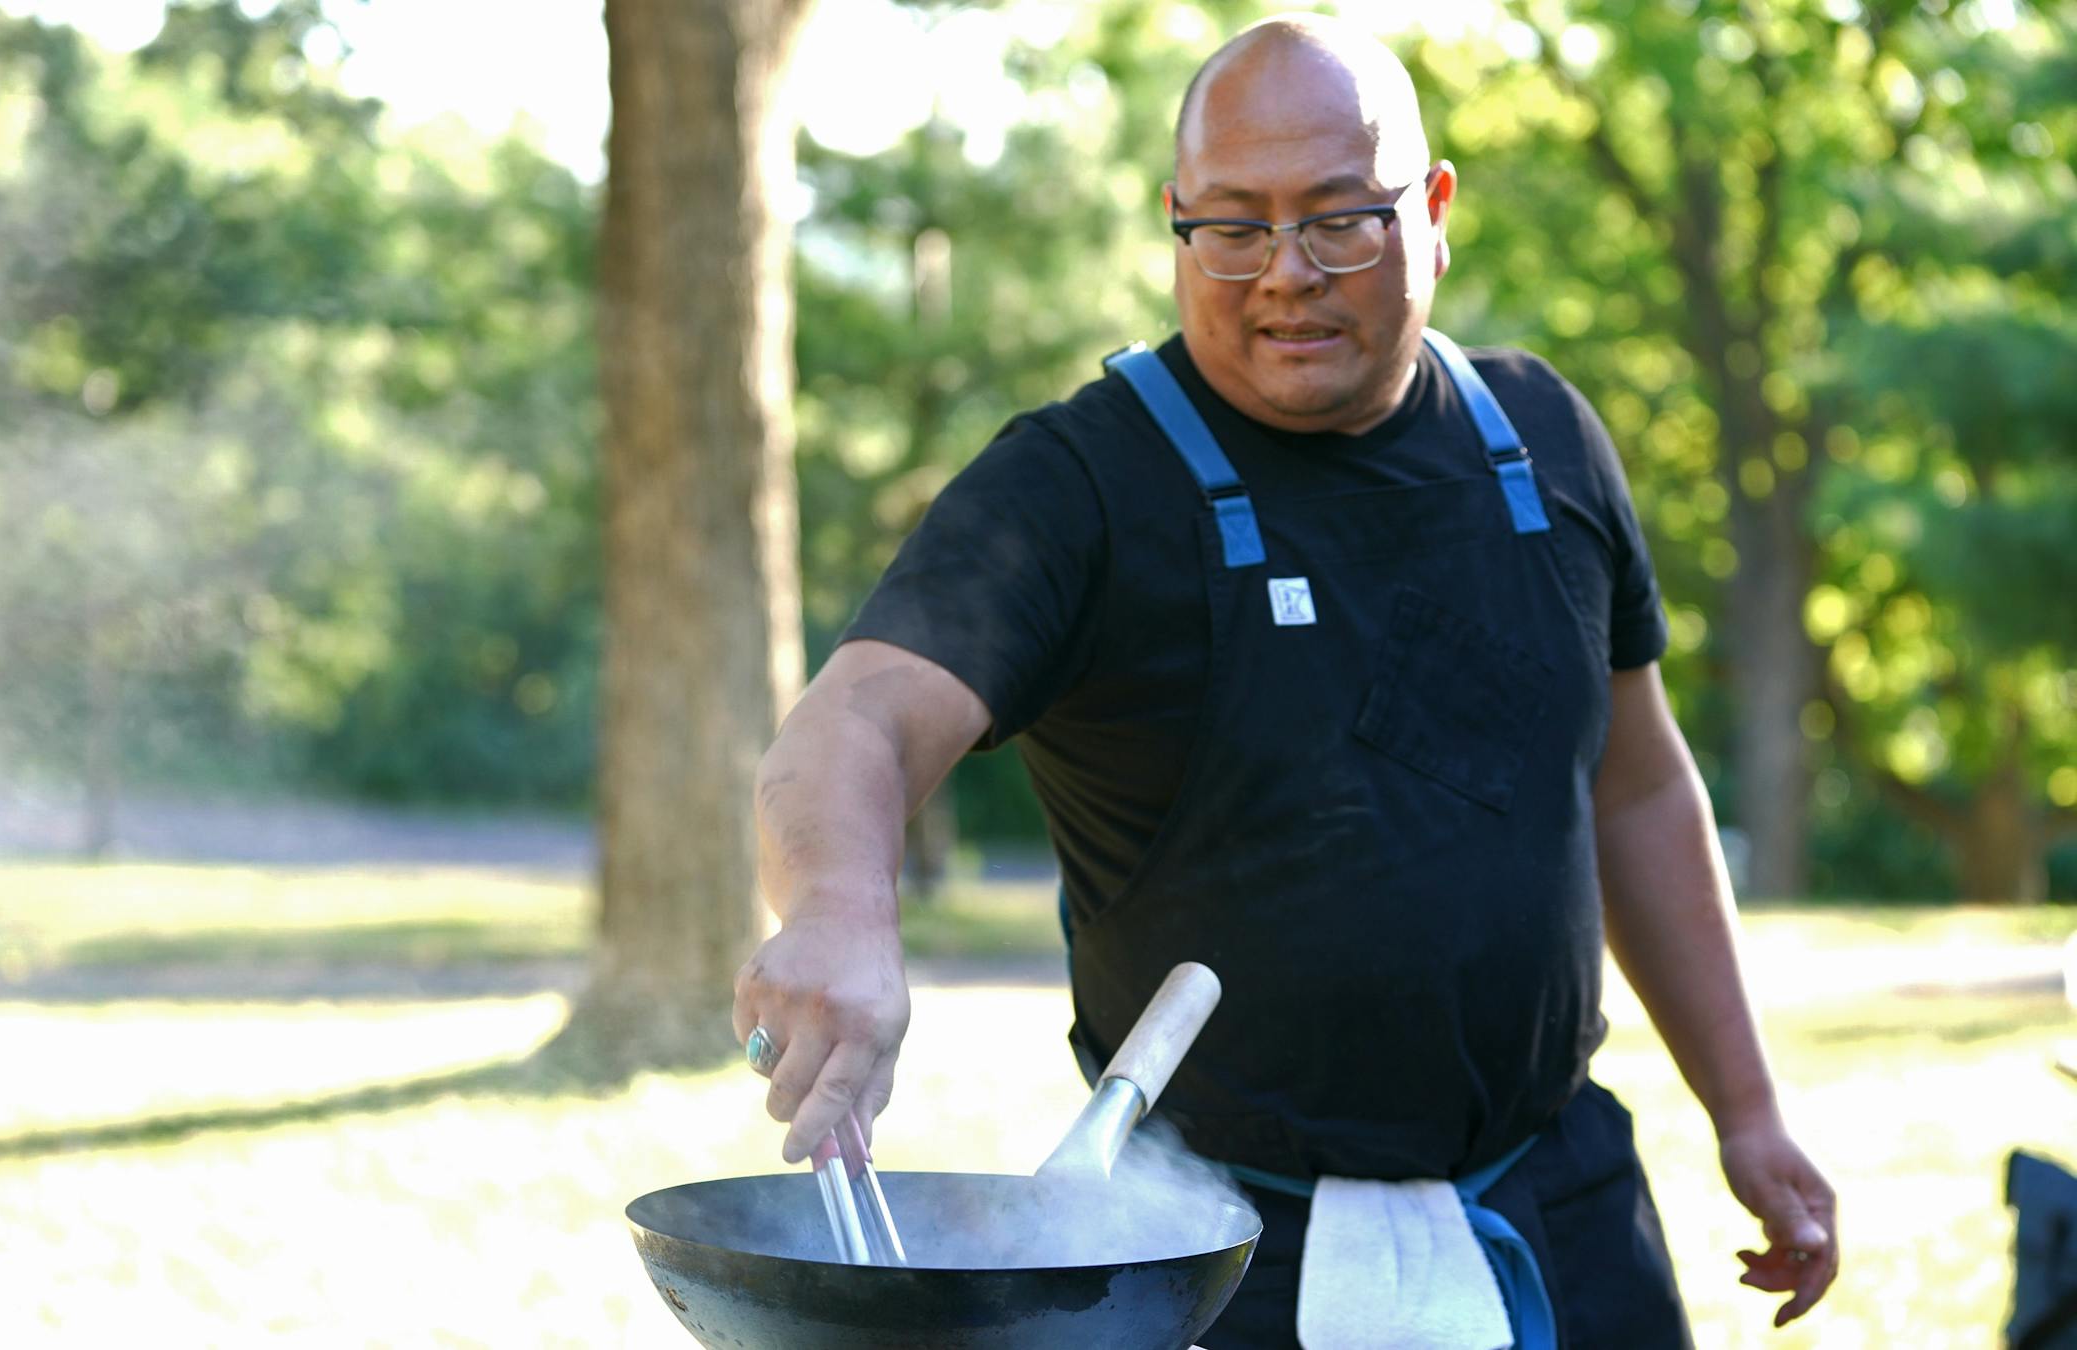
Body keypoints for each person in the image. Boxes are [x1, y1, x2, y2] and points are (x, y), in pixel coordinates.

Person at [730, 14, 1837, 1344]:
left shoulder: (1545, 439)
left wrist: (1749, 1106)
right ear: (1175, 220)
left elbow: (1641, 789)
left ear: (1432, 211)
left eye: (1339, 220)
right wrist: (840, 909)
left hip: (1558, 1197)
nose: (1285, 275)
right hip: (1210, 1242)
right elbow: (855, 717)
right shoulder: (1079, 484)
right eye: (1234, 227)